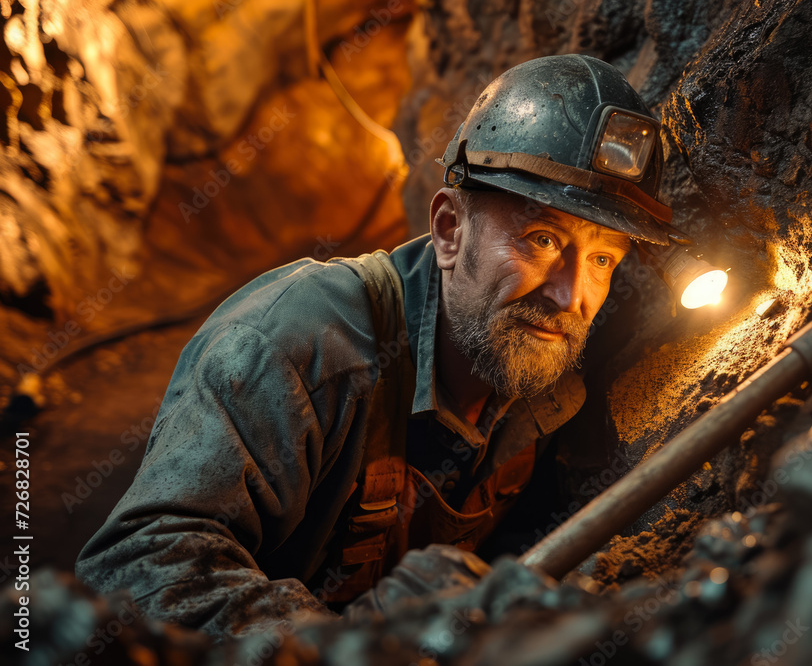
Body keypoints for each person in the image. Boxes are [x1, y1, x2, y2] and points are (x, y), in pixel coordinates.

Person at [76, 54, 687, 638]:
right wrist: (347, 644)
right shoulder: (298, 346)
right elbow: (136, 565)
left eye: (603, 257)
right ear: (449, 230)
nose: (569, 295)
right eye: (542, 239)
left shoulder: (545, 371)